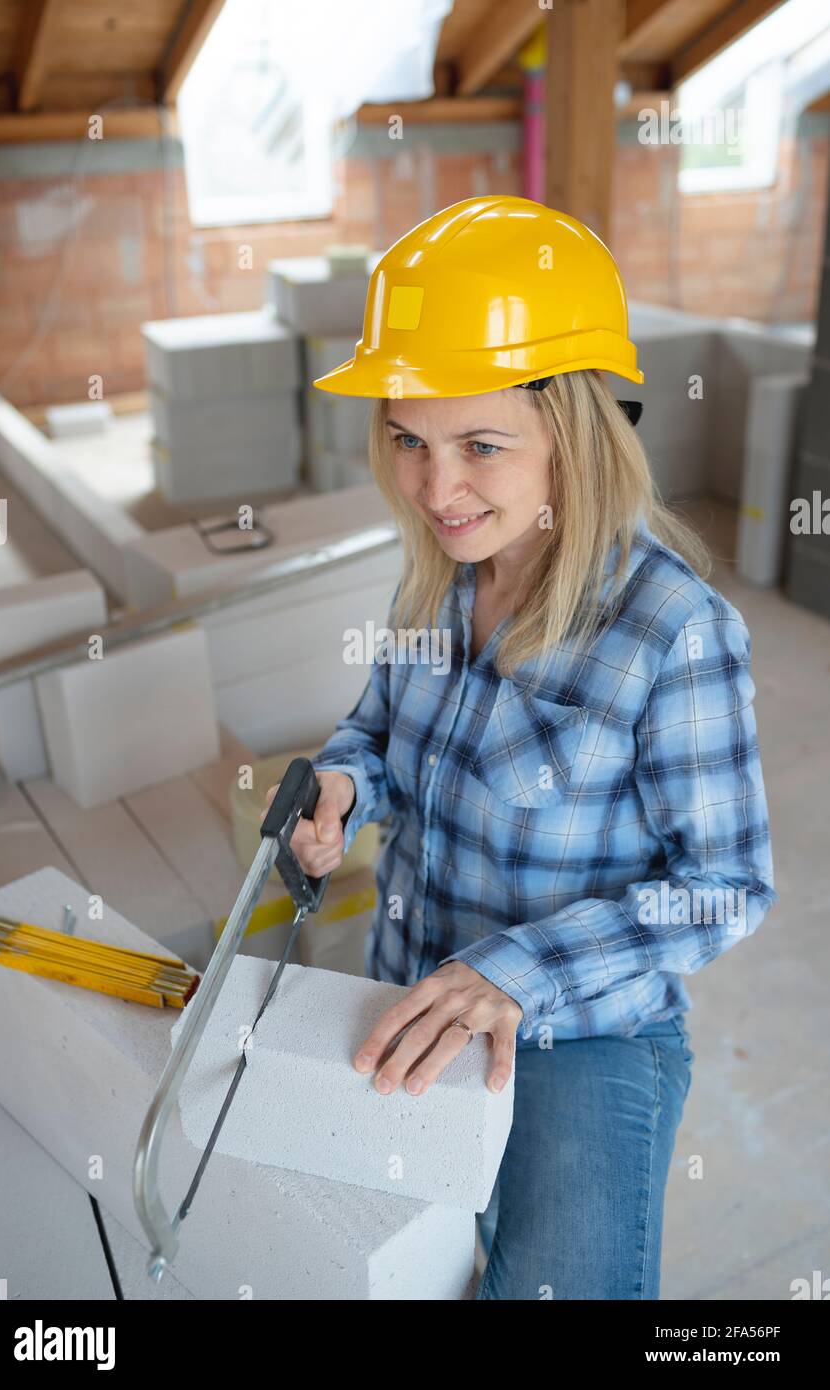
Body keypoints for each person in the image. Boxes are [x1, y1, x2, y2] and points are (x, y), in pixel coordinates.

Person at [264, 195, 777, 1300]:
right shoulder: (440, 575)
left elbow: (724, 887)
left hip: (584, 1035)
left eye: (479, 447)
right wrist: (346, 786)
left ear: (574, 437)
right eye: (407, 439)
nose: (434, 488)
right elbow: (382, 731)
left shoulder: (671, 632)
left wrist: (513, 971)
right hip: (410, 989)